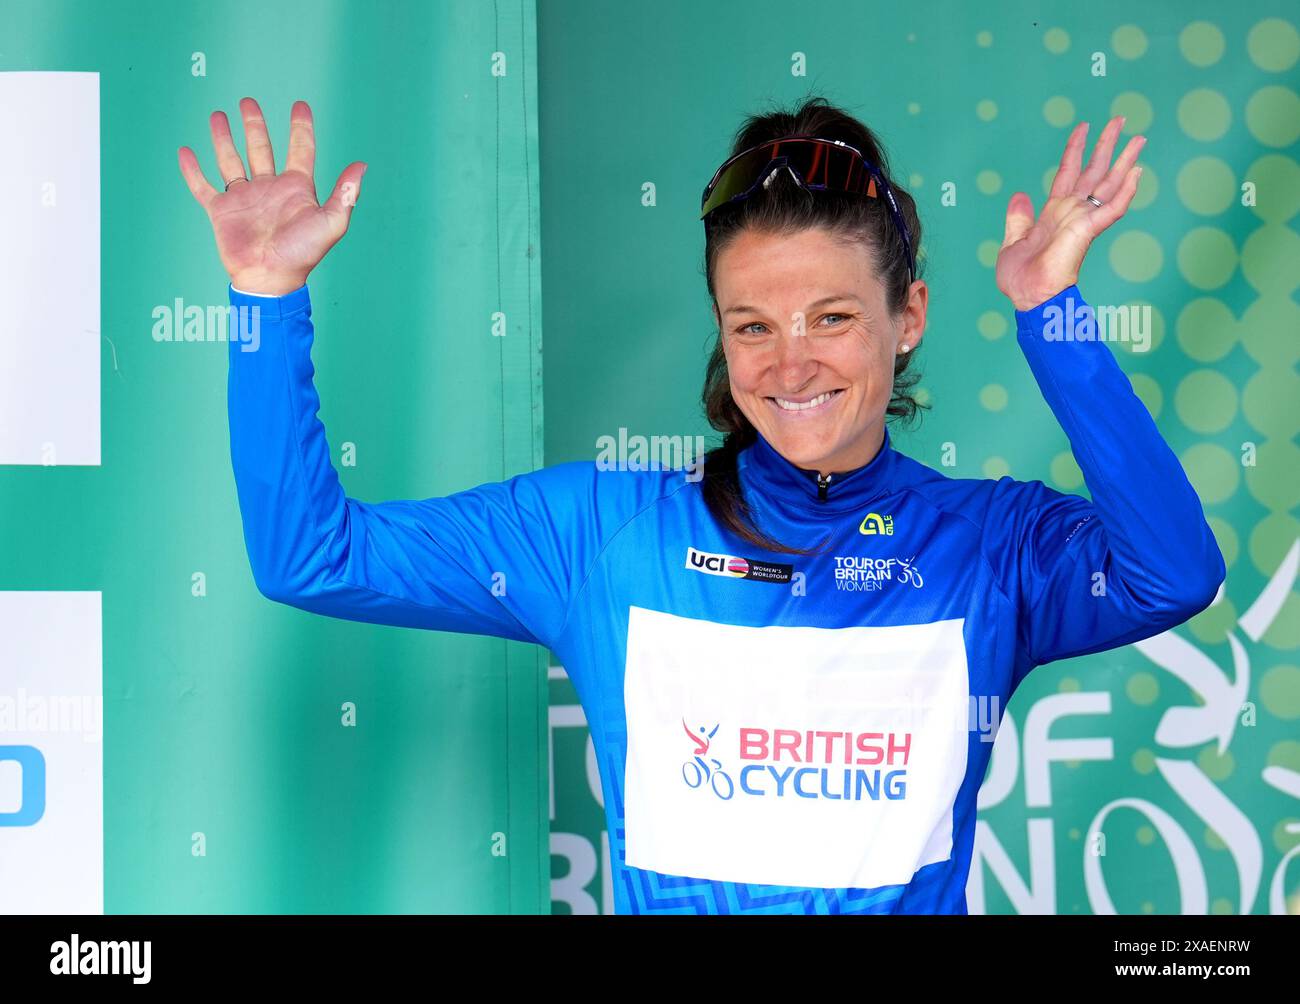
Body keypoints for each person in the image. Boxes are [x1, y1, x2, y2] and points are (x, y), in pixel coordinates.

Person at [178, 95, 1225, 915]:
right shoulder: (600, 534)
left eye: (832, 315)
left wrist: (1053, 317)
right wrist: (266, 299)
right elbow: (307, 554)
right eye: (752, 324)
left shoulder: (987, 546)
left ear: (908, 317)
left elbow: (1171, 572)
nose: (792, 362)